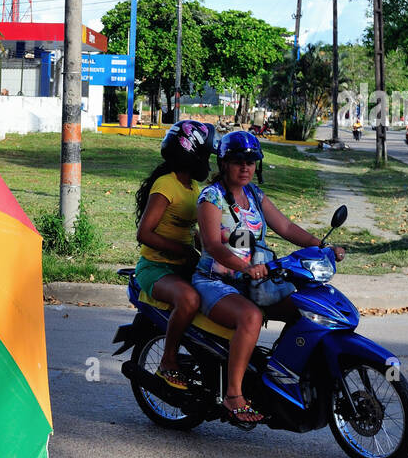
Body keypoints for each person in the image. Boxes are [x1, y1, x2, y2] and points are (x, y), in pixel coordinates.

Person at [191, 131, 346, 424]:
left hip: (254, 282)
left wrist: (322, 247)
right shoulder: (210, 197)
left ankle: (281, 373)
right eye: (238, 161)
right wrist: (244, 266)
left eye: (251, 161)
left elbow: (286, 228)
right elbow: (212, 245)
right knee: (250, 318)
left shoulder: (255, 196)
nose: (245, 167)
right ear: (224, 164)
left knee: (306, 312)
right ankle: (233, 395)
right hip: (216, 282)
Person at [133, 120, 215, 390]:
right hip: (156, 268)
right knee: (190, 300)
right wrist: (183, 250)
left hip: (184, 267)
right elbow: (144, 233)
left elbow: (199, 231)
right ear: (191, 154)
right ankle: (168, 362)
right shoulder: (166, 185)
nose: (208, 162)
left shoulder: (194, 189)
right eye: (205, 155)